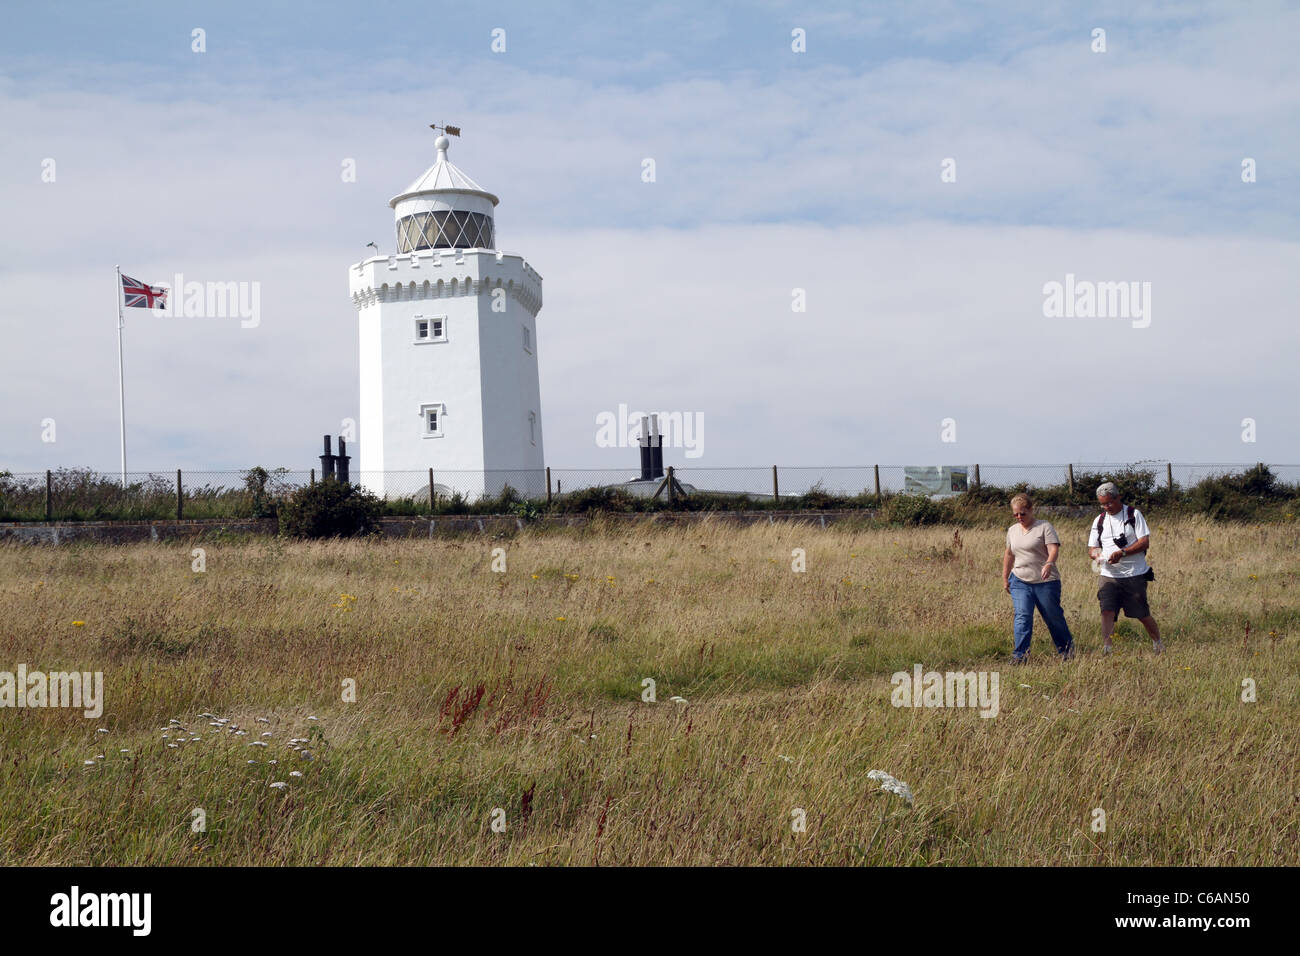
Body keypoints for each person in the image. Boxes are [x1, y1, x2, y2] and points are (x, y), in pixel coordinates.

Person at [1087, 481, 1163, 655]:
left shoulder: (1133, 514)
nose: (1106, 507)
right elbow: (1092, 548)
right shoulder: (1099, 520)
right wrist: (1096, 556)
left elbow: (1144, 542)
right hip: (1108, 574)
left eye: (1109, 503)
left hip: (1134, 574)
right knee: (1106, 610)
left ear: (1118, 497)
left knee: (1141, 613)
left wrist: (1122, 553)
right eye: (1103, 504)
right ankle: (1107, 649)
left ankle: (1157, 643)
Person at [1002, 493, 1075, 663]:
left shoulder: (1044, 527)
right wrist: (1005, 577)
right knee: (1022, 616)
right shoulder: (1012, 530)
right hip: (1019, 579)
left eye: (1022, 513)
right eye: (1016, 514)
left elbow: (1053, 549)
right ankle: (1020, 656)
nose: (1019, 517)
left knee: (1053, 616)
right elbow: (1009, 554)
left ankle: (1067, 651)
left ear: (1031, 510)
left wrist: (1049, 563)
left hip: (1046, 582)